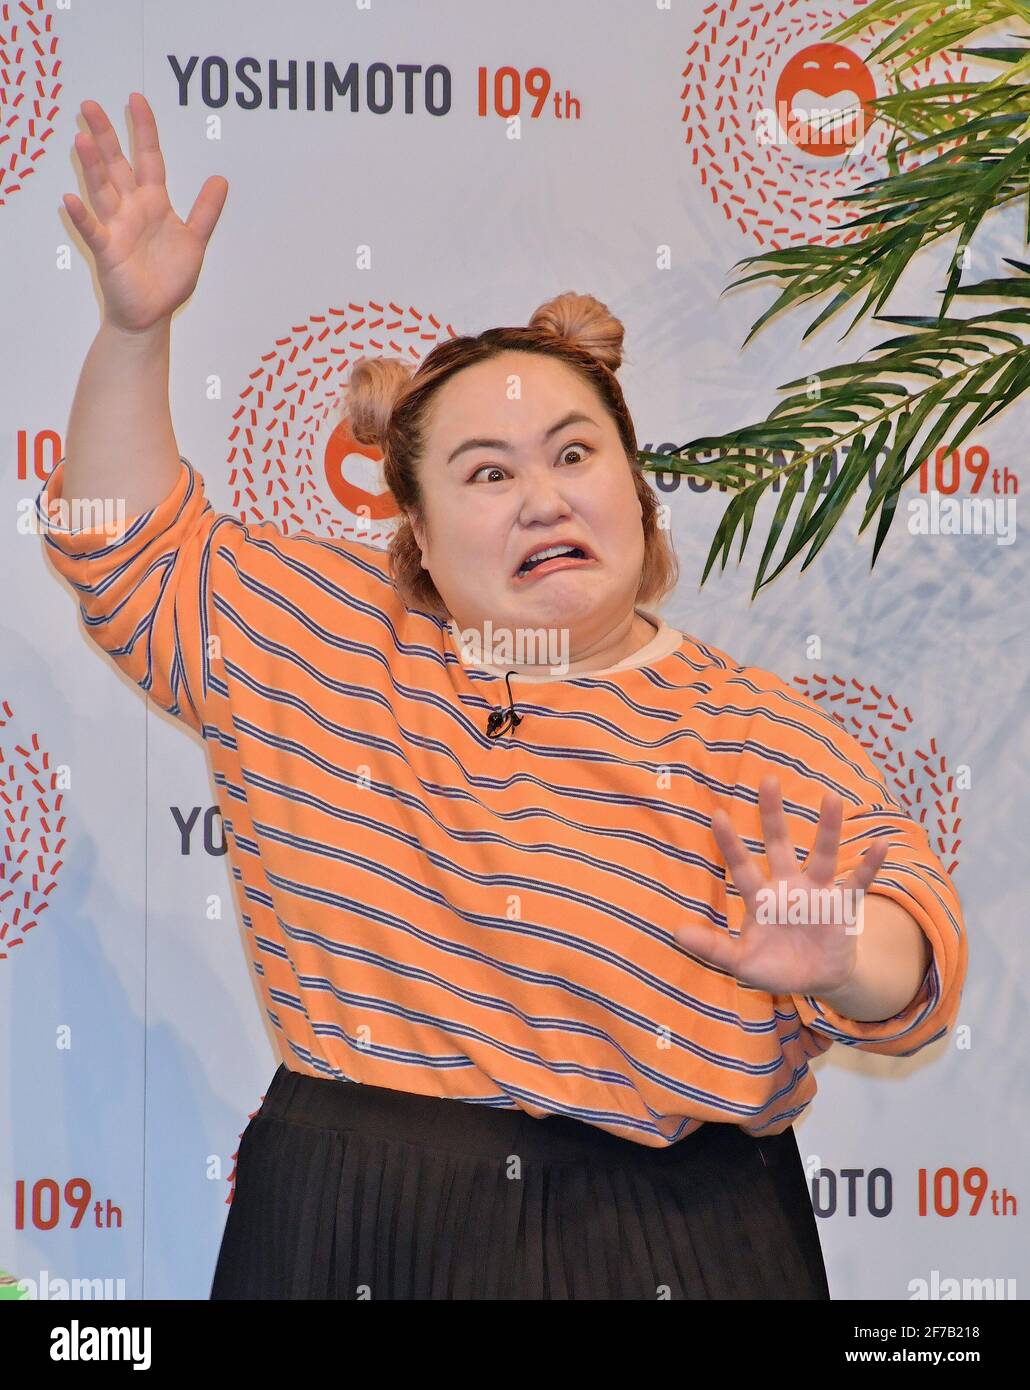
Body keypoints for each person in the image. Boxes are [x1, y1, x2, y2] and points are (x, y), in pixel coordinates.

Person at [42, 92, 967, 1301]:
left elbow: (910, 950)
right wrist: (133, 330)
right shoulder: (323, 639)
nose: (544, 497)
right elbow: (122, 544)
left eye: (576, 455)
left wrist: (844, 953)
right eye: (488, 473)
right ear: (417, 535)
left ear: (636, 494)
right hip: (353, 1221)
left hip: (673, 1231)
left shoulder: (755, 726)